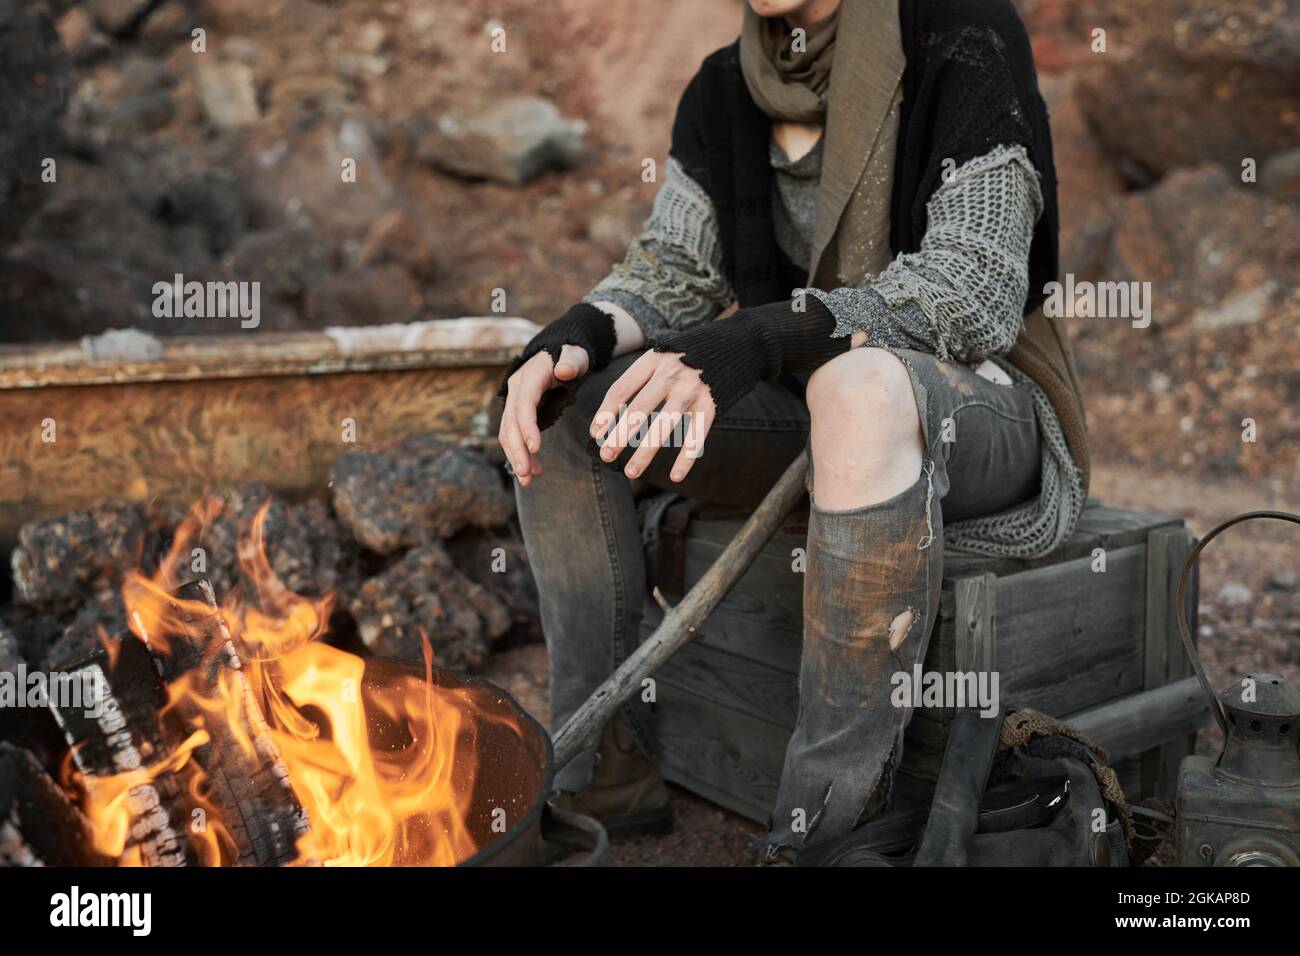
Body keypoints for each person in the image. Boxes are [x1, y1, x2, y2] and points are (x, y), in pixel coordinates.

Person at [497, 0, 1089, 864]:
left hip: (984, 399)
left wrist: (765, 334)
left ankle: (824, 835)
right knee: (565, 410)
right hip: (814, 398)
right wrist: (568, 342)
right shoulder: (724, 86)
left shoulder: (961, 34)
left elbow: (975, 287)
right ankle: (603, 773)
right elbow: (673, 269)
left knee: (858, 391)